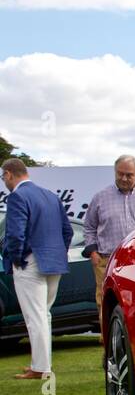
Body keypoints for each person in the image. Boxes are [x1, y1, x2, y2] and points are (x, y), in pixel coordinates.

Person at [2, 159, 72, 380]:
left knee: (36, 316)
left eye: (3, 177)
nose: (4, 181)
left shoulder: (17, 197)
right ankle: (41, 364)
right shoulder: (51, 196)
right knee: (44, 315)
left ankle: (42, 368)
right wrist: (58, 252)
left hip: (30, 261)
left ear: (10, 174)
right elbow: (67, 231)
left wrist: (16, 258)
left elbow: (15, 234)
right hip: (54, 261)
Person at [82, 154, 135, 313]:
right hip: (108, 260)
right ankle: (107, 338)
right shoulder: (100, 198)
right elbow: (89, 227)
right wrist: (93, 254)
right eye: (120, 174)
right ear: (115, 172)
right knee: (106, 303)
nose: (124, 178)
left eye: (129, 175)